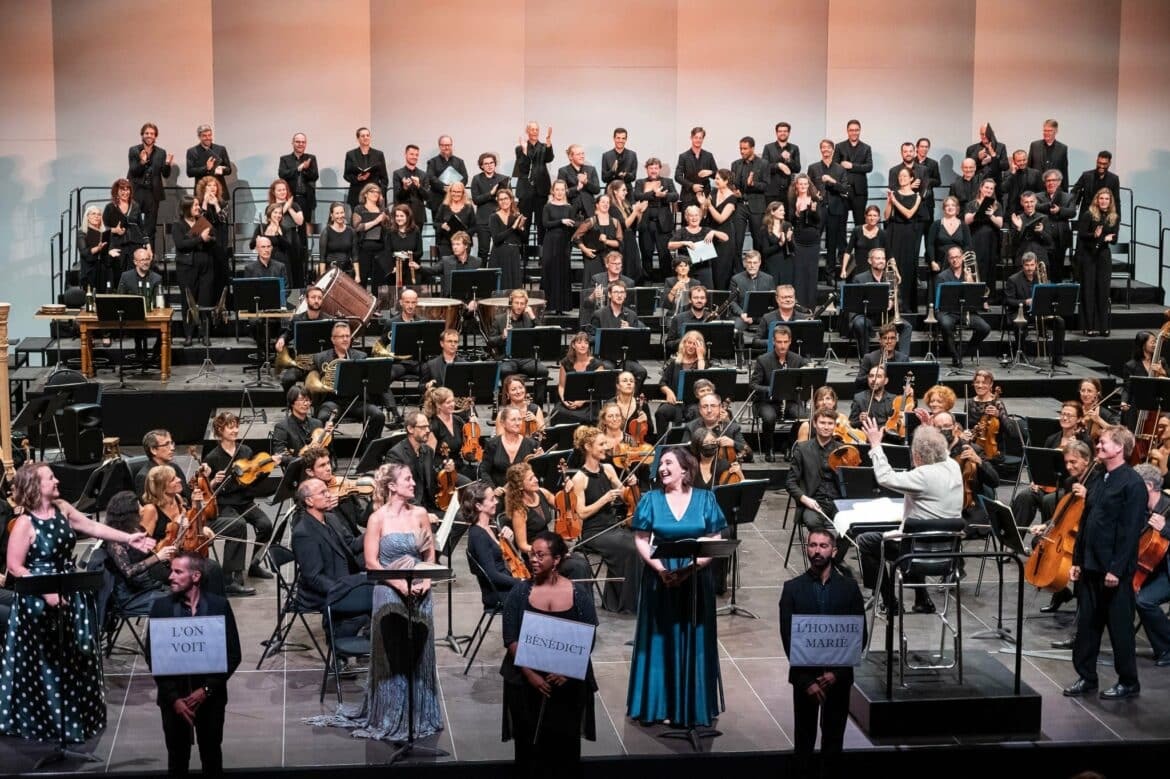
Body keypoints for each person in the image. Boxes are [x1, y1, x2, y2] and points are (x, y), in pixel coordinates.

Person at [0, 462, 154, 742]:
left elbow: (92, 526)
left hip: (69, 591)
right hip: (39, 600)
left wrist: (129, 538)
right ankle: (47, 724)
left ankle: (77, 719)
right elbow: (15, 567)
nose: (56, 480)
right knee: (47, 664)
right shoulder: (24, 523)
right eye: (50, 477)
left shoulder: (62, 508)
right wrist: (45, 590)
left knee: (74, 658)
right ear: (36, 486)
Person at [306, 462, 443, 740]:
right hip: (389, 593)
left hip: (420, 592)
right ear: (392, 486)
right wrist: (399, 586)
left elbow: (430, 555)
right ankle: (390, 714)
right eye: (408, 479)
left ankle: (419, 714)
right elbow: (371, 562)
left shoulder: (420, 514)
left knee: (419, 653)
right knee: (392, 655)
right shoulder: (377, 518)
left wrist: (426, 581)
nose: (414, 483)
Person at [626, 447, 726, 727]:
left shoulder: (706, 498)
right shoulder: (650, 500)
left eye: (668, 463)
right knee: (661, 637)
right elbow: (642, 539)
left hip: (695, 576)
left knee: (695, 636)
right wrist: (661, 570)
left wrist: (692, 568)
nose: (662, 468)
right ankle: (661, 704)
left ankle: (692, 704)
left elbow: (715, 537)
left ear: (685, 470)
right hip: (661, 575)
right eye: (660, 464)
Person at [501, 531, 598, 776]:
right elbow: (510, 638)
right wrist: (530, 673)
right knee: (529, 746)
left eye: (540, 555)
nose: (533, 559)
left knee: (564, 746)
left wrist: (567, 670)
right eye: (532, 554)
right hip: (526, 678)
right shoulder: (520, 592)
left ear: (556, 560)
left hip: (566, 679)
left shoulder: (578, 594)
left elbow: (588, 636)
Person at [1063, 426, 1146, 700]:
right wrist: (1077, 559)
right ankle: (1087, 676)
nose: (1097, 447)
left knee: (1120, 627)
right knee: (1087, 625)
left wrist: (1116, 568)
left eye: (1103, 444)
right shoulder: (1099, 478)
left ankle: (1128, 681)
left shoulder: (1132, 484)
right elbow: (1086, 521)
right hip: (1090, 565)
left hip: (1113, 570)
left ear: (1119, 448)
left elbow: (1130, 530)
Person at [779, 528, 865, 779]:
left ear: (834, 551)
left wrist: (836, 674)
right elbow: (788, 638)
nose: (817, 551)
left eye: (823, 546)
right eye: (812, 545)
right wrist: (806, 680)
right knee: (803, 741)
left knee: (834, 740)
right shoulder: (792, 589)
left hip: (837, 679)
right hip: (806, 681)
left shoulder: (849, 588)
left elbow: (858, 635)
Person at [855, 419, 965, 615]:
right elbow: (943, 451)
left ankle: (890, 602)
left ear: (916, 455)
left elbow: (885, 477)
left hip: (916, 553)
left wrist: (875, 445)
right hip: (948, 554)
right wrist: (928, 429)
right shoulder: (954, 467)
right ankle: (922, 599)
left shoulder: (922, 476)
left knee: (866, 541)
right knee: (917, 529)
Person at [149, 553, 241, 775]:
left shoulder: (219, 606)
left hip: (210, 699)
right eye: (171, 571)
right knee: (177, 761)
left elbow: (233, 654)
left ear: (196, 576)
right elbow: (153, 657)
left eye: (178, 572)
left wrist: (206, 690)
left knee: (211, 756)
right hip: (174, 702)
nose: (171, 576)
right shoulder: (160, 608)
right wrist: (174, 699)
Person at [571, 426, 640, 614]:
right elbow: (582, 513)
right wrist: (604, 499)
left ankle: (634, 599)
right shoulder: (579, 479)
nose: (605, 448)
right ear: (587, 447)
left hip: (613, 526)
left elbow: (626, 495)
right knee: (629, 548)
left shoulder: (608, 468)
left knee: (640, 543)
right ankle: (619, 603)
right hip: (594, 532)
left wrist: (631, 485)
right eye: (601, 444)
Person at [291, 478, 368, 643]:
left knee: (379, 593)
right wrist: (344, 589)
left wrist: (376, 528)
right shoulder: (303, 532)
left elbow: (351, 545)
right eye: (322, 492)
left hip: (343, 579)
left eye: (328, 490)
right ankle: (339, 648)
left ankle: (364, 645)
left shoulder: (331, 518)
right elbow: (313, 577)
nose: (329, 495)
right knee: (366, 604)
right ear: (309, 500)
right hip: (323, 591)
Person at [202, 412, 276, 585]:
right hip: (225, 504)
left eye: (236, 426)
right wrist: (213, 481)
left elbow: (252, 479)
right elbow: (205, 490)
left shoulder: (245, 450)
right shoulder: (212, 457)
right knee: (238, 526)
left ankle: (254, 564)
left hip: (245, 501)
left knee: (266, 525)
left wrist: (264, 469)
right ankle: (232, 576)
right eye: (231, 426)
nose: (235, 430)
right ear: (220, 429)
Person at [312, 321, 386, 453]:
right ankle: (328, 455)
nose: (346, 339)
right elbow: (313, 383)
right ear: (333, 339)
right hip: (332, 402)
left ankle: (369, 453)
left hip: (356, 401)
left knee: (378, 415)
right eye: (341, 336)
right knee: (322, 418)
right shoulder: (320, 358)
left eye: (348, 336)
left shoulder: (360, 356)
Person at [103, 490, 176, 612]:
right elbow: (128, 571)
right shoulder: (114, 541)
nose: (143, 509)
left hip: (147, 580)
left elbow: (148, 551)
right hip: (132, 592)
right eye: (139, 506)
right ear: (128, 513)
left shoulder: (135, 528)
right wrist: (157, 557)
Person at [463, 480, 525, 609]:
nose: (496, 502)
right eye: (491, 500)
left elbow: (507, 561)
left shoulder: (490, 527)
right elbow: (493, 575)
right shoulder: (478, 535)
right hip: (497, 593)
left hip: (505, 585)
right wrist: (521, 582)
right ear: (479, 506)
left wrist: (509, 541)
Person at [1134, 462, 1170, 667]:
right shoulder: (1140, 509)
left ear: (1148, 486)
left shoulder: (1169, 507)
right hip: (1152, 567)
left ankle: (1166, 646)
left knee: (1145, 600)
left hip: (1167, 571)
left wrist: (1165, 529)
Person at [487, 288, 550, 403]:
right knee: (505, 371)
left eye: (522, 304)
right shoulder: (500, 319)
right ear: (511, 303)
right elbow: (490, 341)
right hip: (507, 358)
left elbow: (542, 333)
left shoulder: (529, 319)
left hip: (526, 358)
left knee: (543, 371)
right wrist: (502, 336)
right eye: (516, 303)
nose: (519, 306)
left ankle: (538, 406)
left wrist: (533, 316)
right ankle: (508, 404)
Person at [752, 325, 806, 461]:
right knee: (769, 417)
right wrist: (770, 389)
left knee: (802, 417)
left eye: (785, 342)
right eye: (779, 342)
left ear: (790, 341)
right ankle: (768, 448)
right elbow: (753, 385)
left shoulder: (797, 360)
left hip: (790, 401)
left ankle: (789, 446)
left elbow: (804, 382)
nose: (782, 346)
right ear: (773, 341)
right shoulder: (763, 360)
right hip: (767, 402)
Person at [1004, 251, 1067, 366]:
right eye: (1027, 265)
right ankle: (1021, 354)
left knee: (1059, 322)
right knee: (1021, 324)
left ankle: (1058, 358)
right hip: (1021, 312)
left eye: (1032, 265)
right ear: (1023, 265)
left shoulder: (1041, 276)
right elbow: (1009, 301)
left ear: (1036, 264)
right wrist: (1025, 302)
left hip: (1039, 312)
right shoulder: (1013, 280)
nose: (1029, 268)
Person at [849, 247, 912, 358]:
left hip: (887, 316)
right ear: (870, 261)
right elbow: (855, 304)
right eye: (878, 258)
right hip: (866, 316)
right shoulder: (859, 278)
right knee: (860, 324)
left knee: (906, 326)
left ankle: (902, 359)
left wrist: (893, 302)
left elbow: (900, 300)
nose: (881, 261)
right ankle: (867, 358)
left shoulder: (891, 277)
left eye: (883, 258)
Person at [935, 245, 990, 367]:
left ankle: (963, 351)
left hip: (967, 311)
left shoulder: (969, 274)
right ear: (948, 260)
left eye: (958, 257)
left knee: (985, 328)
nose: (955, 260)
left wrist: (970, 281)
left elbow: (977, 299)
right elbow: (939, 300)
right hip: (948, 311)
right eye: (952, 258)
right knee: (945, 324)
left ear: (962, 258)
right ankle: (955, 356)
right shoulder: (942, 276)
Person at [172, 195, 216, 347]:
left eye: (198, 204)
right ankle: (189, 335)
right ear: (186, 208)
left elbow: (213, 238)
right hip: (186, 268)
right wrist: (200, 239)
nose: (198, 207)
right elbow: (180, 245)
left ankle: (204, 334)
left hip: (206, 266)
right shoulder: (178, 225)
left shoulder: (202, 221)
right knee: (188, 301)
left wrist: (209, 238)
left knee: (205, 300)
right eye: (195, 205)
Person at [1076, 188, 1120, 337]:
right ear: (1097, 199)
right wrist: (1097, 236)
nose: (1104, 201)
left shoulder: (1113, 217)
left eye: (1107, 199)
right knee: (1088, 291)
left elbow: (1114, 238)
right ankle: (1088, 326)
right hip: (1088, 256)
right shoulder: (1088, 214)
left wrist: (1100, 238)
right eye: (1101, 198)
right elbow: (1082, 235)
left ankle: (1103, 326)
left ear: (1110, 201)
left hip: (1103, 256)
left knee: (1103, 291)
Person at [127, 122, 174, 252]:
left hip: (152, 193)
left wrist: (167, 164)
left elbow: (165, 174)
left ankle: (149, 257)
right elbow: (134, 171)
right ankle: (134, 256)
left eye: (152, 134)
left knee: (150, 227)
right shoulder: (134, 150)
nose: (149, 136)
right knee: (133, 223)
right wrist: (142, 162)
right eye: (147, 133)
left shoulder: (161, 152)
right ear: (142, 135)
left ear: (155, 136)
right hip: (136, 191)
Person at [808, 140, 849, 283]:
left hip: (835, 209)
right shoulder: (813, 168)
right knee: (814, 241)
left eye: (828, 148)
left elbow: (845, 189)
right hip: (818, 210)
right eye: (823, 147)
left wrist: (832, 181)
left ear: (833, 150)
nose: (825, 150)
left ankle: (830, 276)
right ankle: (811, 273)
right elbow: (809, 188)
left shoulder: (840, 169)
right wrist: (814, 197)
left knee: (832, 244)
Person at [634, 157, 679, 280]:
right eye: (651, 168)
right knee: (646, 254)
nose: (653, 171)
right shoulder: (640, 182)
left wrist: (663, 195)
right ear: (646, 169)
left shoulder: (667, 181)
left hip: (663, 225)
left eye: (656, 168)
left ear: (660, 169)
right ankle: (647, 282)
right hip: (646, 224)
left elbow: (675, 196)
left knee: (664, 254)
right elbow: (637, 195)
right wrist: (653, 194)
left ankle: (667, 281)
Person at [117, 245, 163, 365]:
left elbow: (158, 300)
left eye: (147, 259)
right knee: (137, 323)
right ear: (135, 262)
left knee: (167, 326)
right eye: (142, 260)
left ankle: (155, 354)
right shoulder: (126, 277)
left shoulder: (156, 278)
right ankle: (139, 351)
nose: (145, 262)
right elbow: (120, 297)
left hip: (150, 314)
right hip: (131, 316)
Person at [885, 167, 923, 313]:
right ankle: (892, 305)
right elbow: (886, 216)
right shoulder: (893, 194)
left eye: (905, 176)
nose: (902, 178)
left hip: (909, 233)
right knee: (893, 266)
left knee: (907, 267)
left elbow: (909, 214)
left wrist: (895, 201)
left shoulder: (917, 196)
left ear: (911, 178)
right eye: (900, 176)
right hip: (894, 231)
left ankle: (906, 305)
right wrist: (889, 201)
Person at [656, 329, 708, 433]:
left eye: (695, 344)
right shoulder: (675, 362)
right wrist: (668, 391)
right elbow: (662, 382)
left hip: (694, 403)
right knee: (661, 412)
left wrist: (700, 357)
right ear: (684, 344)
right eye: (689, 343)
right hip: (675, 402)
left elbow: (703, 380)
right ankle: (661, 445)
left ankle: (694, 444)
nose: (691, 346)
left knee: (697, 413)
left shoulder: (702, 363)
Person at [514, 122, 554, 243]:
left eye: (537, 129)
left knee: (541, 224)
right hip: (525, 191)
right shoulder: (520, 147)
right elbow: (523, 168)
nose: (535, 132)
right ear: (527, 131)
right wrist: (525, 150)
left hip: (540, 191)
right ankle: (524, 255)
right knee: (524, 224)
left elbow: (549, 158)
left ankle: (542, 255)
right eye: (532, 129)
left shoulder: (543, 146)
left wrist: (548, 142)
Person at [482, 407, 543, 488]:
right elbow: (484, 471)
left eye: (520, 419)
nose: (517, 423)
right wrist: (493, 490)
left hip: (524, 493)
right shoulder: (492, 444)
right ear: (503, 423)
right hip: (499, 495)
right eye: (513, 420)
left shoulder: (531, 444)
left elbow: (537, 474)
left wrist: (540, 461)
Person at [788, 173, 824, 307]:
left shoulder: (815, 199)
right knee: (799, 273)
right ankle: (800, 306)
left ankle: (810, 306)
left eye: (805, 184)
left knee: (811, 273)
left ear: (808, 185)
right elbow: (790, 220)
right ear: (796, 185)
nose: (803, 186)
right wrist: (797, 214)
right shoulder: (792, 199)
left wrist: (813, 212)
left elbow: (819, 221)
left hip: (813, 240)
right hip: (799, 240)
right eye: (800, 184)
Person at [963, 176, 1004, 294]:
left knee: (989, 267)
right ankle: (975, 295)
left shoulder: (997, 205)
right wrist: (979, 211)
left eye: (991, 189)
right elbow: (966, 221)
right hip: (975, 238)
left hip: (991, 241)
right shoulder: (972, 204)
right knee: (977, 267)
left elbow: (1000, 224)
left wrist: (991, 215)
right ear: (981, 188)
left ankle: (987, 297)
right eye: (987, 187)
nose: (989, 190)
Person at [542, 179, 576, 314]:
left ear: (565, 191)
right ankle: (549, 305)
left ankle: (561, 307)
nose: (560, 192)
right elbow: (545, 223)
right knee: (550, 271)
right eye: (557, 189)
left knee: (563, 273)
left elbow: (573, 225)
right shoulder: (548, 207)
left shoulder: (569, 207)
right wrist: (561, 221)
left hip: (564, 242)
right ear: (553, 191)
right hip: (551, 242)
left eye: (562, 189)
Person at [667, 206, 722, 290]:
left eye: (696, 215)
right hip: (687, 268)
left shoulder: (706, 230)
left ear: (700, 217)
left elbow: (725, 238)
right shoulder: (682, 231)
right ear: (686, 217)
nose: (694, 218)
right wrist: (684, 242)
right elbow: (670, 245)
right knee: (687, 294)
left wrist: (713, 232)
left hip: (705, 267)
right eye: (691, 215)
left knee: (707, 292)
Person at [571, 194, 622, 284]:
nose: (605, 204)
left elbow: (619, 243)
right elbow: (576, 237)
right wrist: (585, 250)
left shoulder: (615, 222)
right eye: (603, 202)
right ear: (597, 205)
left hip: (609, 259)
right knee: (592, 285)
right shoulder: (591, 221)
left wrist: (606, 241)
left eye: (608, 202)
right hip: (593, 257)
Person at [1037, 170, 1077, 283]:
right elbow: (1037, 207)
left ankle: (1056, 295)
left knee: (1058, 268)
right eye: (1048, 180)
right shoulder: (1038, 196)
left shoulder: (1068, 197)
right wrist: (1049, 206)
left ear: (1059, 182)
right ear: (1045, 183)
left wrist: (1060, 210)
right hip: (1044, 237)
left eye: (1054, 180)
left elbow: (1072, 212)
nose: (1051, 183)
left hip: (1061, 237)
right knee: (1044, 268)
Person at [731, 136, 768, 254]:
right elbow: (733, 184)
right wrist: (734, 191)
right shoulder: (735, 164)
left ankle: (760, 268)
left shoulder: (763, 164)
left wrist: (753, 184)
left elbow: (766, 186)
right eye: (741, 148)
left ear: (752, 148)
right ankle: (738, 270)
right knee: (737, 240)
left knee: (758, 240)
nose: (742, 151)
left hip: (756, 206)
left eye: (745, 148)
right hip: (740, 206)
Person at [833, 119, 872, 229]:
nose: (854, 132)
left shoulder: (866, 148)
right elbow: (834, 166)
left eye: (856, 130)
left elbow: (869, 167)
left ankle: (859, 246)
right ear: (847, 131)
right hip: (843, 190)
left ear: (860, 131)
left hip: (860, 191)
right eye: (851, 130)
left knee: (860, 223)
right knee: (841, 222)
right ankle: (843, 247)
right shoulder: (839, 146)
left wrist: (852, 166)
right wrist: (842, 165)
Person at [272, 384, 329, 458]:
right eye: (301, 400)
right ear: (292, 402)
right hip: (297, 467)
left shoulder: (317, 423)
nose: (305, 404)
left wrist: (327, 434)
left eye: (307, 400)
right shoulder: (282, 427)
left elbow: (325, 451)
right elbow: (280, 454)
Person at [471, 152, 509, 259]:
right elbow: (476, 200)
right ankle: (483, 275)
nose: (489, 165)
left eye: (491, 162)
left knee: (502, 249)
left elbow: (509, 199)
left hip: (500, 220)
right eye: (486, 163)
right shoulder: (476, 179)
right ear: (481, 166)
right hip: (483, 221)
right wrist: (491, 194)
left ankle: (502, 274)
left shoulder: (503, 179)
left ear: (495, 163)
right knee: (483, 251)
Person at [489, 188, 527, 291]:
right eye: (501, 199)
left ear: (511, 200)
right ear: (498, 201)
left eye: (506, 198)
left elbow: (523, 239)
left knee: (514, 287)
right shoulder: (494, 217)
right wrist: (513, 228)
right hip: (499, 254)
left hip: (513, 254)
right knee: (500, 286)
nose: (504, 201)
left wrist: (521, 228)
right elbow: (496, 239)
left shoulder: (517, 216)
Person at [279, 132, 318, 229]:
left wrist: (306, 169)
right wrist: (298, 169)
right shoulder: (285, 159)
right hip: (290, 199)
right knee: (288, 226)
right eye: (298, 142)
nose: (301, 144)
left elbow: (315, 176)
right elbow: (282, 174)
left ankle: (304, 245)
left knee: (305, 228)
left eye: (303, 142)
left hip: (306, 199)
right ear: (292, 143)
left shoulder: (311, 158)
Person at [425, 135, 469, 221]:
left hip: (456, 200)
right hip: (437, 200)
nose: (446, 147)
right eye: (444, 145)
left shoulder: (459, 161)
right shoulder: (432, 162)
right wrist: (444, 187)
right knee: (438, 228)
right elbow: (431, 177)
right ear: (440, 146)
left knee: (456, 227)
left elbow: (465, 178)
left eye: (449, 145)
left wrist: (455, 188)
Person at [343, 127, 388, 209]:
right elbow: (346, 175)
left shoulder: (379, 154)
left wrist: (381, 194)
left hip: (374, 195)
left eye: (367, 135)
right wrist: (357, 179)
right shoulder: (351, 154)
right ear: (358, 138)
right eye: (363, 136)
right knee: (357, 220)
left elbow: (384, 178)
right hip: (357, 194)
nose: (366, 137)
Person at [185, 123, 233, 199]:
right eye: (204, 136)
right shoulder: (192, 151)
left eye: (209, 135)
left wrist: (217, 169)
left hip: (219, 190)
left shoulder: (221, 149)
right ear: (199, 137)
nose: (208, 138)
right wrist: (206, 168)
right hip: (202, 191)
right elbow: (189, 172)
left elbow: (229, 170)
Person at [675, 126, 717, 210]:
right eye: (696, 137)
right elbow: (677, 176)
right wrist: (691, 186)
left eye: (700, 138)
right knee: (687, 222)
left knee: (704, 222)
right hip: (688, 196)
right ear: (691, 138)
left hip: (705, 194)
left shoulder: (708, 156)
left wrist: (711, 172)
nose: (698, 140)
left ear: (703, 139)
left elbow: (717, 174)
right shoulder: (683, 156)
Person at [840, 205, 886, 281]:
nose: (872, 218)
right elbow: (848, 251)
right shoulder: (857, 230)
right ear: (865, 216)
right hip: (858, 270)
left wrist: (895, 272)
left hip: (875, 272)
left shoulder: (882, 234)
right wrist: (843, 269)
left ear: (878, 217)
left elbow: (889, 254)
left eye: (875, 216)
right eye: (870, 215)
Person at [1070, 150, 1121, 215]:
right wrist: (1073, 205)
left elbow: (1116, 200)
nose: (1101, 166)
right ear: (1096, 161)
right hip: (1086, 213)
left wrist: (1117, 219)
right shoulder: (1086, 175)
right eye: (1099, 163)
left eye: (1104, 164)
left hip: (1105, 215)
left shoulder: (1114, 179)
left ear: (1109, 163)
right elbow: (1074, 191)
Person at [558, 143, 600, 220]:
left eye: (583, 153)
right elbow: (562, 193)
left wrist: (586, 182)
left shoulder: (591, 169)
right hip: (571, 211)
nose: (582, 156)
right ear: (571, 157)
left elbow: (597, 190)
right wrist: (577, 188)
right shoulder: (563, 171)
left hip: (589, 211)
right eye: (578, 154)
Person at [763, 121, 801, 207]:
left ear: (788, 133)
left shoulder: (794, 148)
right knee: (771, 217)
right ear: (776, 133)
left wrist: (789, 160)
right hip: (771, 190)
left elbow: (797, 168)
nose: (782, 133)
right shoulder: (768, 147)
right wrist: (778, 165)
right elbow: (764, 167)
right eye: (780, 131)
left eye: (785, 131)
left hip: (789, 190)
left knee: (788, 217)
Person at [434, 181, 476, 258]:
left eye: (459, 192)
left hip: (463, 243)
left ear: (463, 193)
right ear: (450, 192)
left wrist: (463, 234)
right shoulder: (444, 206)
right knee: (446, 266)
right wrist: (442, 226)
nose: (456, 194)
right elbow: (436, 223)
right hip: (446, 242)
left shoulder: (469, 207)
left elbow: (473, 227)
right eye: (454, 191)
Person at [319, 202, 358, 282]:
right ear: (331, 215)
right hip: (331, 271)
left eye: (342, 212)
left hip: (347, 270)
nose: (340, 216)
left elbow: (355, 256)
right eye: (337, 213)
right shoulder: (326, 232)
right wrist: (322, 277)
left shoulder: (351, 231)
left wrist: (357, 275)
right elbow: (322, 258)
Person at [391, 143, 427, 228]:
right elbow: (397, 197)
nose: (414, 157)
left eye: (416, 155)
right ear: (405, 154)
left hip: (418, 214)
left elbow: (427, 197)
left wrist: (418, 186)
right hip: (402, 214)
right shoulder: (398, 173)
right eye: (411, 154)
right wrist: (405, 188)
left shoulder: (423, 175)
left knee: (417, 240)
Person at [1001, 150, 1044, 219]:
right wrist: (1013, 174)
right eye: (1019, 161)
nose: (1022, 163)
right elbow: (1003, 189)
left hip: (1031, 211)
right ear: (1014, 161)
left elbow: (1041, 193)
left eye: (1024, 160)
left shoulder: (1035, 173)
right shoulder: (1008, 174)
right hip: (1013, 212)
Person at [1028, 119, 1069, 191]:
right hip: (1036, 188)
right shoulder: (1034, 145)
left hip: (1054, 189)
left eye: (1049, 131)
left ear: (1056, 131)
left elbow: (1064, 171)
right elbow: (1029, 167)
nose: (1046, 133)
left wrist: (1065, 191)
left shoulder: (1063, 148)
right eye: (1045, 130)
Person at [761, 201, 795, 285]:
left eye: (783, 210)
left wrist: (789, 240)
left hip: (786, 262)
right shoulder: (764, 229)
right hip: (772, 263)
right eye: (780, 210)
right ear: (772, 212)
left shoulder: (787, 225)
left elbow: (793, 249)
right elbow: (765, 251)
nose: (784, 212)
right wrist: (779, 244)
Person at [965, 123, 1007, 187]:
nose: (984, 136)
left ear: (992, 133)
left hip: (994, 185)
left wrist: (992, 159)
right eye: (982, 134)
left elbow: (1005, 166)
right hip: (976, 185)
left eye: (986, 134)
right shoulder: (971, 149)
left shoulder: (1000, 147)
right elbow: (967, 167)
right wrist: (978, 158)